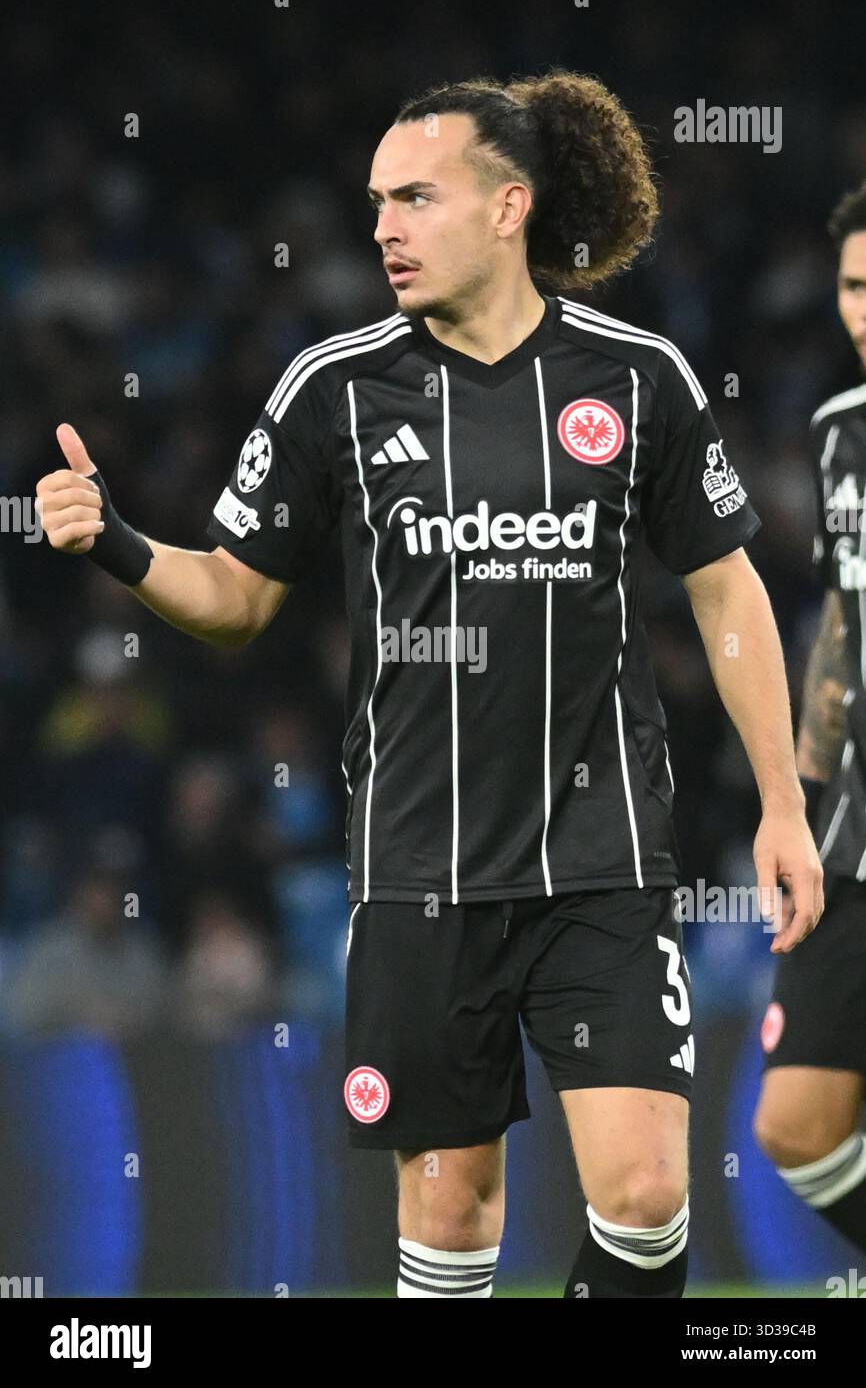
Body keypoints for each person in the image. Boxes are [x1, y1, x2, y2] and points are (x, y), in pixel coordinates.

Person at [36, 68, 822, 1298]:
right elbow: (237, 598)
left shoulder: (636, 377)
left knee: (648, 1195)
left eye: (415, 198)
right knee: (451, 1216)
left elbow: (726, 591)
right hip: (419, 870)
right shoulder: (336, 389)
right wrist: (118, 543)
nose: (384, 230)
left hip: (603, 856)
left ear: (508, 206)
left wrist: (779, 801)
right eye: (374, 204)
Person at [753, 182, 866, 1255]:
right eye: (849, 285)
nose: (861, 308)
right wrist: (798, 798)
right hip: (855, 834)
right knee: (793, 1123)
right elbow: (840, 621)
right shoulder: (838, 435)